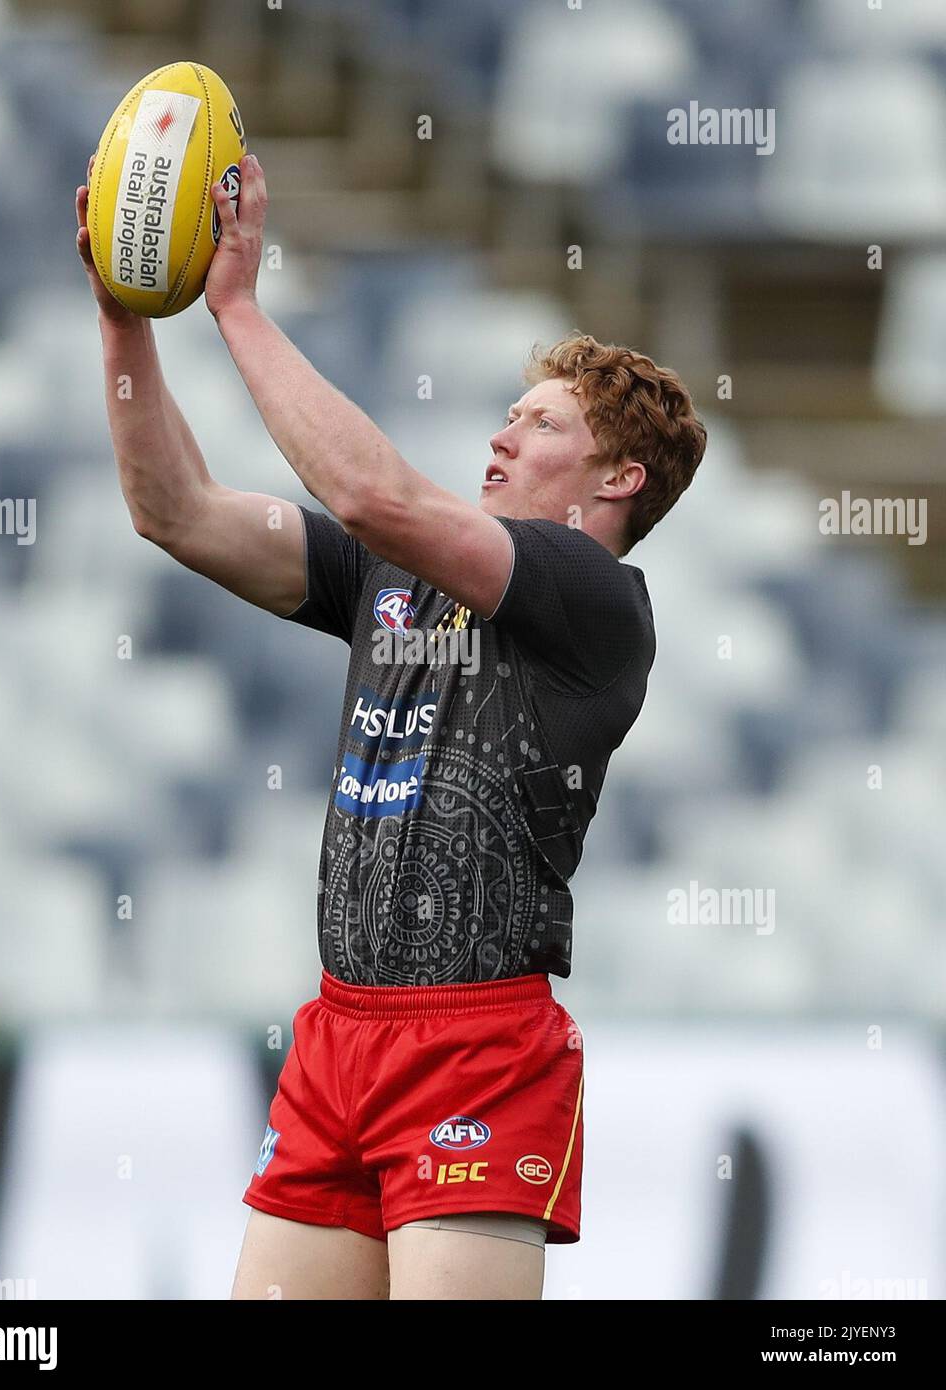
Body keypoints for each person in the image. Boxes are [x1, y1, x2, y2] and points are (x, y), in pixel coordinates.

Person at [76, 153, 706, 1300]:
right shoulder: (393, 574)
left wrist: (236, 305)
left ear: (616, 477)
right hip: (338, 1034)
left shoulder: (591, 595)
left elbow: (372, 493)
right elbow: (172, 509)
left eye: (540, 424)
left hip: (476, 1045)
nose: (502, 436)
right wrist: (125, 321)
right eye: (506, 414)